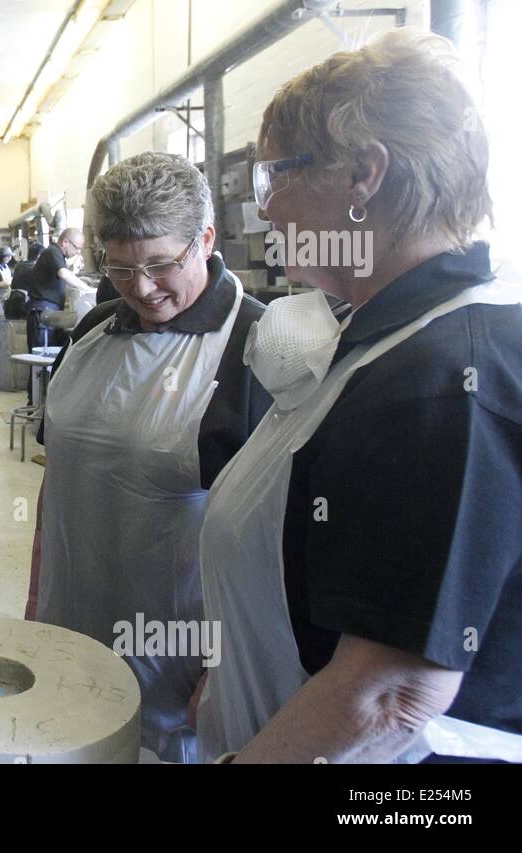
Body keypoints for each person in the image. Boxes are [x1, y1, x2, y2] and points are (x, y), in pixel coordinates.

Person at [196, 30, 522, 764]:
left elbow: (390, 695)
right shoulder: (385, 336)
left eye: (272, 177)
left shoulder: (444, 379)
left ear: (363, 175)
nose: (267, 211)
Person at [27, 151, 270, 763]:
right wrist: (35, 601)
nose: (143, 289)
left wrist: (230, 669)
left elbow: (273, 542)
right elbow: (59, 481)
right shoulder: (91, 334)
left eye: (162, 265)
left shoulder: (252, 350)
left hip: (181, 654)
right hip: (72, 622)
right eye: (120, 269)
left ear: (205, 240)